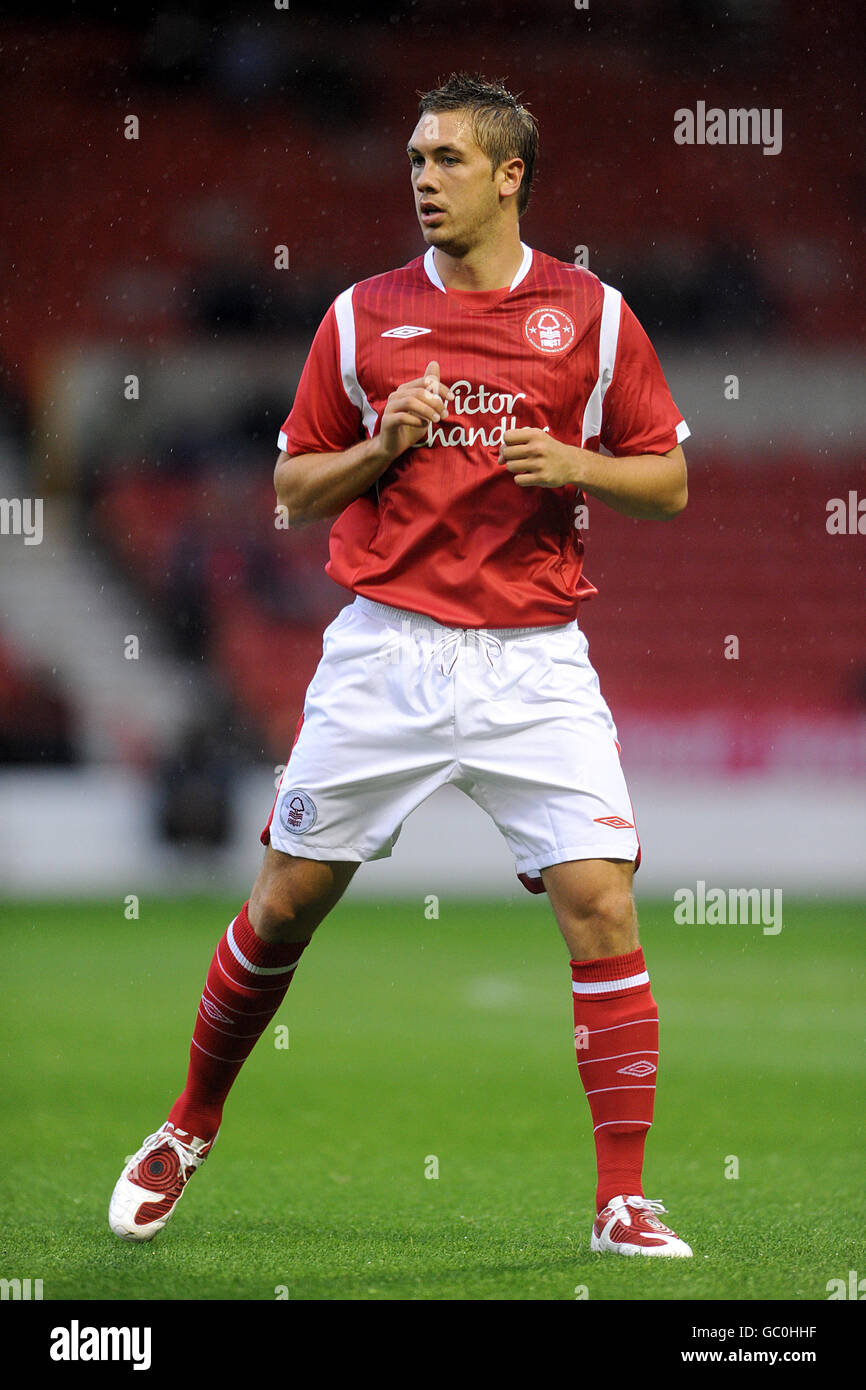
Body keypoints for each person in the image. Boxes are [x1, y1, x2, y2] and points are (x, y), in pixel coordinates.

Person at [110, 72, 692, 1258]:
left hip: (533, 662)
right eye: (416, 160)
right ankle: (185, 1124)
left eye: (447, 161)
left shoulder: (592, 316)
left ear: (509, 175)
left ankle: (620, 1200)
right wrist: (382, 444)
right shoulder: (358, 317)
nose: (422, 180)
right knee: (282, 906)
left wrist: (576, 468)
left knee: (600, 906)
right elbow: (288, 488)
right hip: (388, 652)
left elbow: (669, 482)